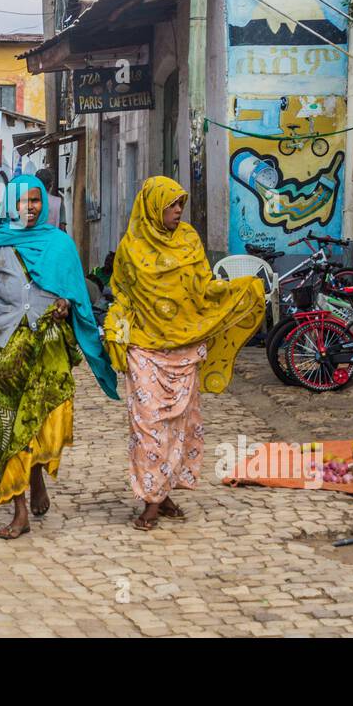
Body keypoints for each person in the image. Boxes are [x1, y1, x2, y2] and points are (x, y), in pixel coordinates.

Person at [0, 174, 119, 540]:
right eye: (22, 201)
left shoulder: (59, 244)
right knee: (7, 425)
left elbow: (76, 294)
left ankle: (36, 477)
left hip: (46, 347)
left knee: (37, 420)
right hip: (3, 347)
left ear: (43, 203)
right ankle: (19, 509)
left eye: (35, 201)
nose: (29, 207)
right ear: (11, 203)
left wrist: (64, 303)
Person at [103, 176, 264, 531]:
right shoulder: (131, 249)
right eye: (172, 205)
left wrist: (235, 291)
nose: (178, 211)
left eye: (181, 205)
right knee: (148, 426)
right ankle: (150, 499)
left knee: (178, 427)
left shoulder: (189, 241)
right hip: (145, 347)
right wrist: (116, 324)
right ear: (153, 207)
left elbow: (203, 288)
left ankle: (163, 493)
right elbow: (124, 295)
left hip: (184, 348)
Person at [37, 166, 67, 233]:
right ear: (51, 185)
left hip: (33, 242)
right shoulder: (58, 202)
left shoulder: (28, 202)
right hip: (53, 241)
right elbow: (62, 228)